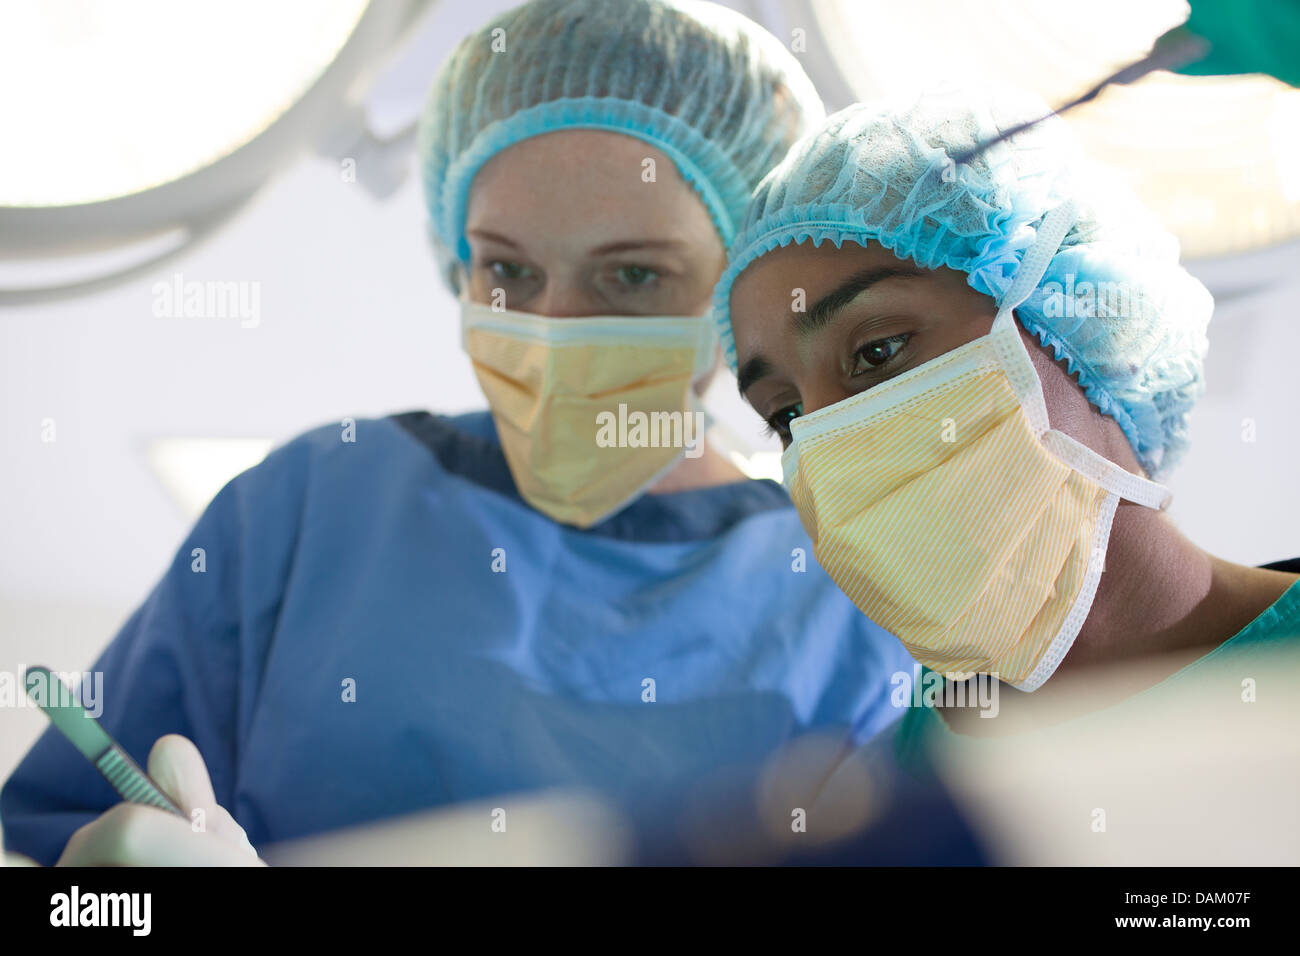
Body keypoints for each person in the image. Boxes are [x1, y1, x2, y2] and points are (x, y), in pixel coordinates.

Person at [1, 0, 915, 866]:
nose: (554, 328)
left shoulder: (854, 592)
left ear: (742, 292)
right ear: (458, 263)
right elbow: (63, 878)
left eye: (632, 276)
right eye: (508, 269)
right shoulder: (311, 507)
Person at [712, 84, 1300, 748]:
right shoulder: (907, 776)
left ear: (1071, 319)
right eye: (785, 414)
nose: (827, 441)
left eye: (876, 351)